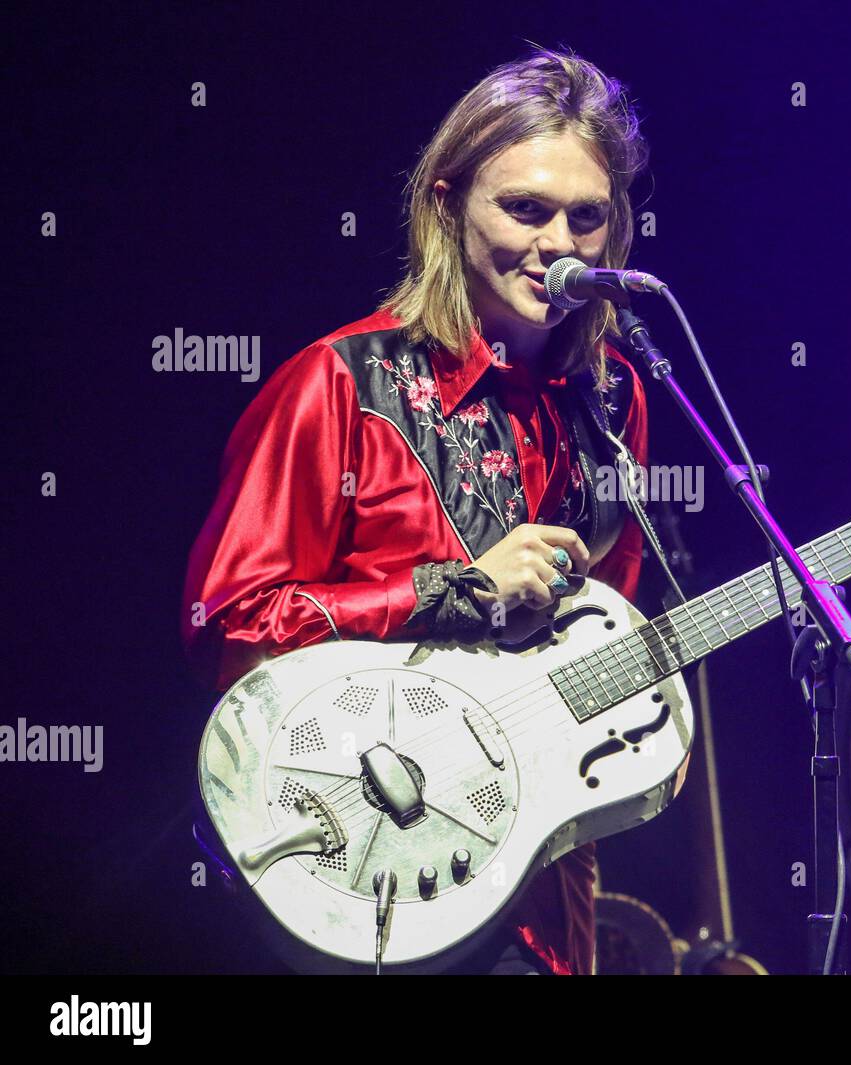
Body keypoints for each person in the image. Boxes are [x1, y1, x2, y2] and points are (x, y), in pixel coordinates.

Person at [182, 45, 654, 975]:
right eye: (524, 208)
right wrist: (456, 590)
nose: (557, 242)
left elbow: (603, 638)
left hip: (542, 883)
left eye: (586, 216)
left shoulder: (616, 397)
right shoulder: (337, 385)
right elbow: (227, 624)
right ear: (446, 206)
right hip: (360, 864)